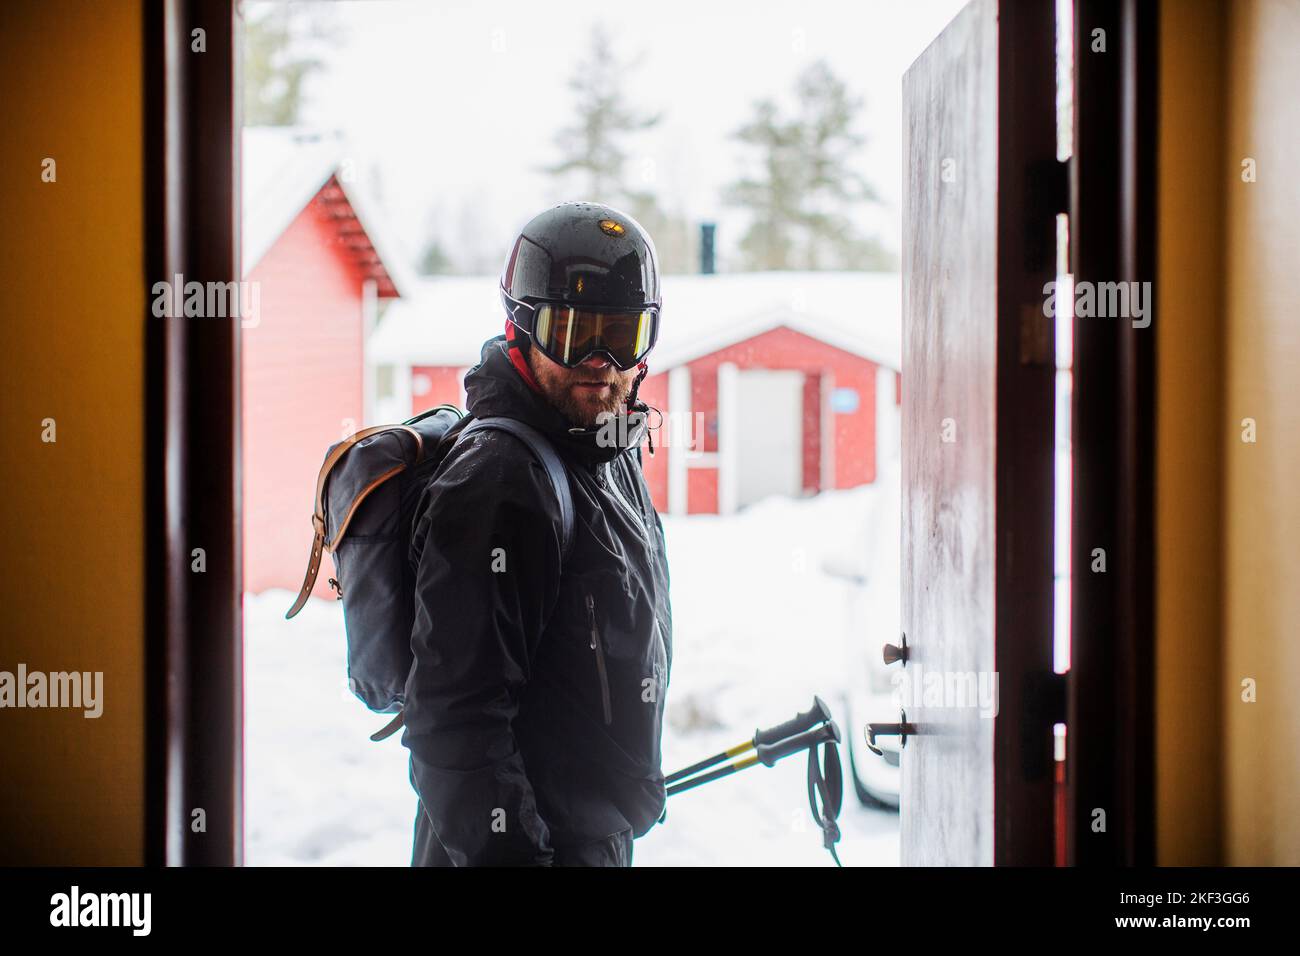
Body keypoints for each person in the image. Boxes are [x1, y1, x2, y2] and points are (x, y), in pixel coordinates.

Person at [402, 201, 673, 866]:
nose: (602, 361)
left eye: (624, 334)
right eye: (574, 332)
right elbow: (455, 724)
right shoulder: (499, 481)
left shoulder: (603, 451)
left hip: (585, 834)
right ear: (521, 329)